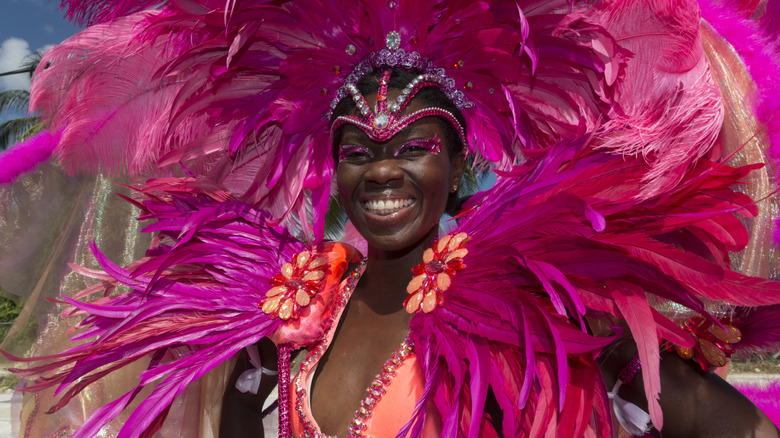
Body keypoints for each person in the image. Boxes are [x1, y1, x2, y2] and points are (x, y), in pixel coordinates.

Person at [2, 0, 780, 437]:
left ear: (454, 161)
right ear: (332, 165)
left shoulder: (532, 306)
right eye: (358, 148)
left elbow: (720, 424)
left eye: (416, 145)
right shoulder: (286, 322)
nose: (383, 167)